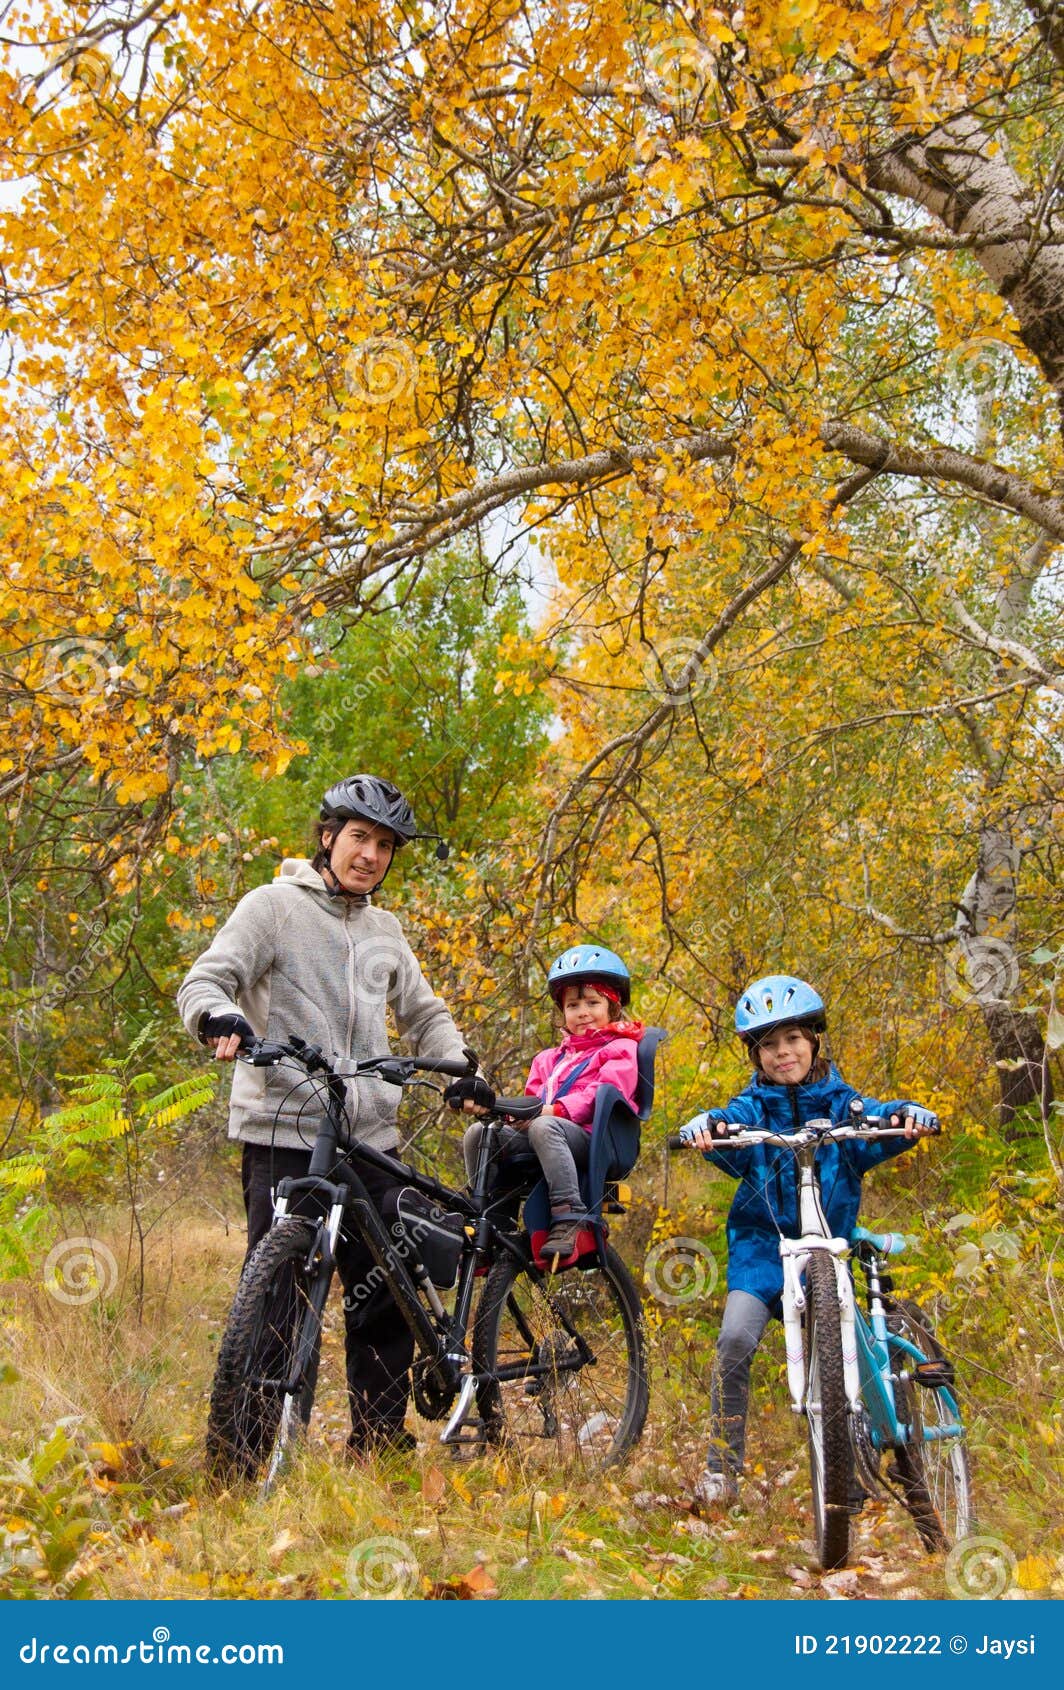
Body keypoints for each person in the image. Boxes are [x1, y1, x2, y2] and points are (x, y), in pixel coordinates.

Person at [177, 774, 470, 1456]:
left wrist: (461, 1068)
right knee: (277, 1298)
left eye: (385, 846)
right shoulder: (273, 907)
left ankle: (379, 1444)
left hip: (370, 1141)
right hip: (286, 1132)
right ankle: (248, 1456)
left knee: (386, 1292)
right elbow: (207, 979)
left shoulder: (386, 930)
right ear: (328, 836)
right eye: (359, 838)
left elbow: (424, 1014)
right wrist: (217, 1016)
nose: (370, 855)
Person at [678, 973, 939, 1509]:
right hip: (761, 1251)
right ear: (755, 1055)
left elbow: (877, 1116)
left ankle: (850, 1468)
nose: (783, 1053)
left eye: (793, 1038)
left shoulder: (843, 1104)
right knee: (734, 1339)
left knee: (841, 1349)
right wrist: (706, 1127)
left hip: (827, 1249)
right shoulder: (752, 1109)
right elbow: (728, 1123)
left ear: (815, 1040)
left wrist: (906, 1115)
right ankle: (720, 1471)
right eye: (769, 1044)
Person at [445, 945, 644, 1259]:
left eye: (593, 1002)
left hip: (593, 1139)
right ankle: (490, 1219)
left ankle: (570, 1215)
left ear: (613, 1007)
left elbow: (604, 1094)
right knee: (480, 1134)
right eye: (573, 1005)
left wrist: (555, 1111)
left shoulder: (619, 1049)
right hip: (545, 1134)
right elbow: (533, 1100)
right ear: (562, 1011)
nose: (583, 1012)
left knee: (544, 1126)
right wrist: (511, 1115)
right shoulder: (547, 1059)